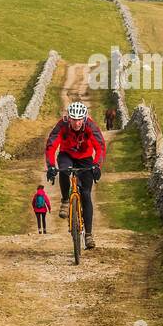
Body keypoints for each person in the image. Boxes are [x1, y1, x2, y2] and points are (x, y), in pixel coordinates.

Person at [45, 100, 106, 249]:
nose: (76, 123)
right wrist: (51, 166)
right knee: (64, 171)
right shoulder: (62, 125)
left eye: (79, 119)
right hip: (66, 155)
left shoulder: (91, 126)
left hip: (85, 158)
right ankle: (66, 200)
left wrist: (97, 165)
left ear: (84, 118)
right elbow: (51, 146)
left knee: (86, 195)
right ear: (69, 118)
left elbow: (100, 147)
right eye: (73, 119)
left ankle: (89, 235)